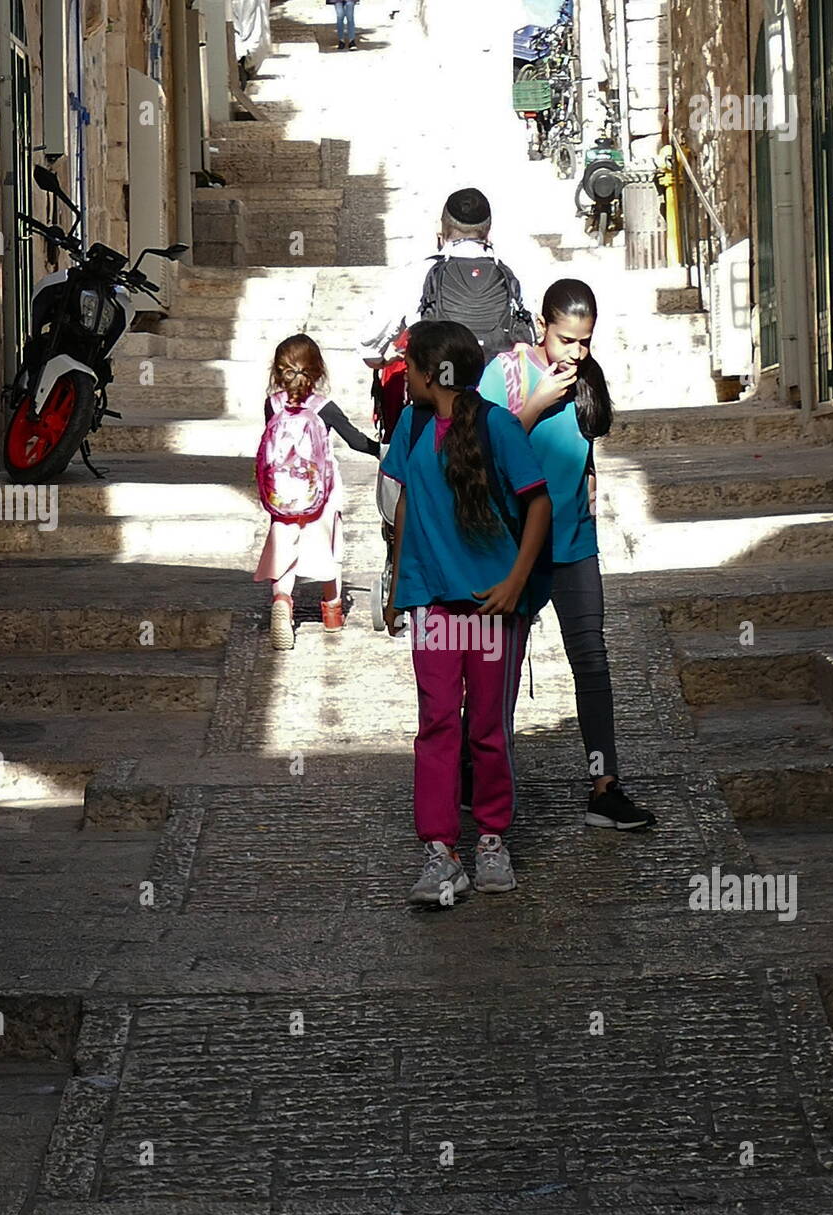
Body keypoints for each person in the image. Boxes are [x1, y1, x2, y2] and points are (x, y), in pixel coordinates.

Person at [381, 321, 552, 905]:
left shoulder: (499, 427)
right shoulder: (411, 424)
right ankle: (440, 850)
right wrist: (395, 583)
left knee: (486, 726)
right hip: (432, 601)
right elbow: (403, 504)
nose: (406, 378)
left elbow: (539, 503)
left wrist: (516, 582)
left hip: (492, 603)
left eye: (411, 367)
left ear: (431, 373)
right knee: (436, 724)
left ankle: (492, 838)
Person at [478, 279, 656, 831]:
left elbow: (583, 444)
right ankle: (481, 788)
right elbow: (482, 453)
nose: (577, 353)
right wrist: (533, 406)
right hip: (513, 548)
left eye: (585, 341)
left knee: (593, 664)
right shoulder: (504, 374)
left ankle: (605, 786)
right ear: (541, 328)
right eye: (566, 340)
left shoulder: (587, 374)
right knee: (497, 674)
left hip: (575, 545)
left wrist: (592, 476)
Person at [253, 334, 380, 650]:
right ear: (318, 371)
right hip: (320, 494)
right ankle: (332, 610)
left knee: (284, 547)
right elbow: (355, 441)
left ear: (278, 371)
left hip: (282, 495)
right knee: (327, 547)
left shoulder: (272, 405)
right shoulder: (325, 408)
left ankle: (282, 599)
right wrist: (383, 450)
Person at [358, 188, 534, 377]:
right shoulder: (513, 275)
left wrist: (382, 360)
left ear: (442, 229)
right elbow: (534, 332)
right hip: (499, 392)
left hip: (442, 389)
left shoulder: (418, 273)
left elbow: (370, 344)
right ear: (488, 231)